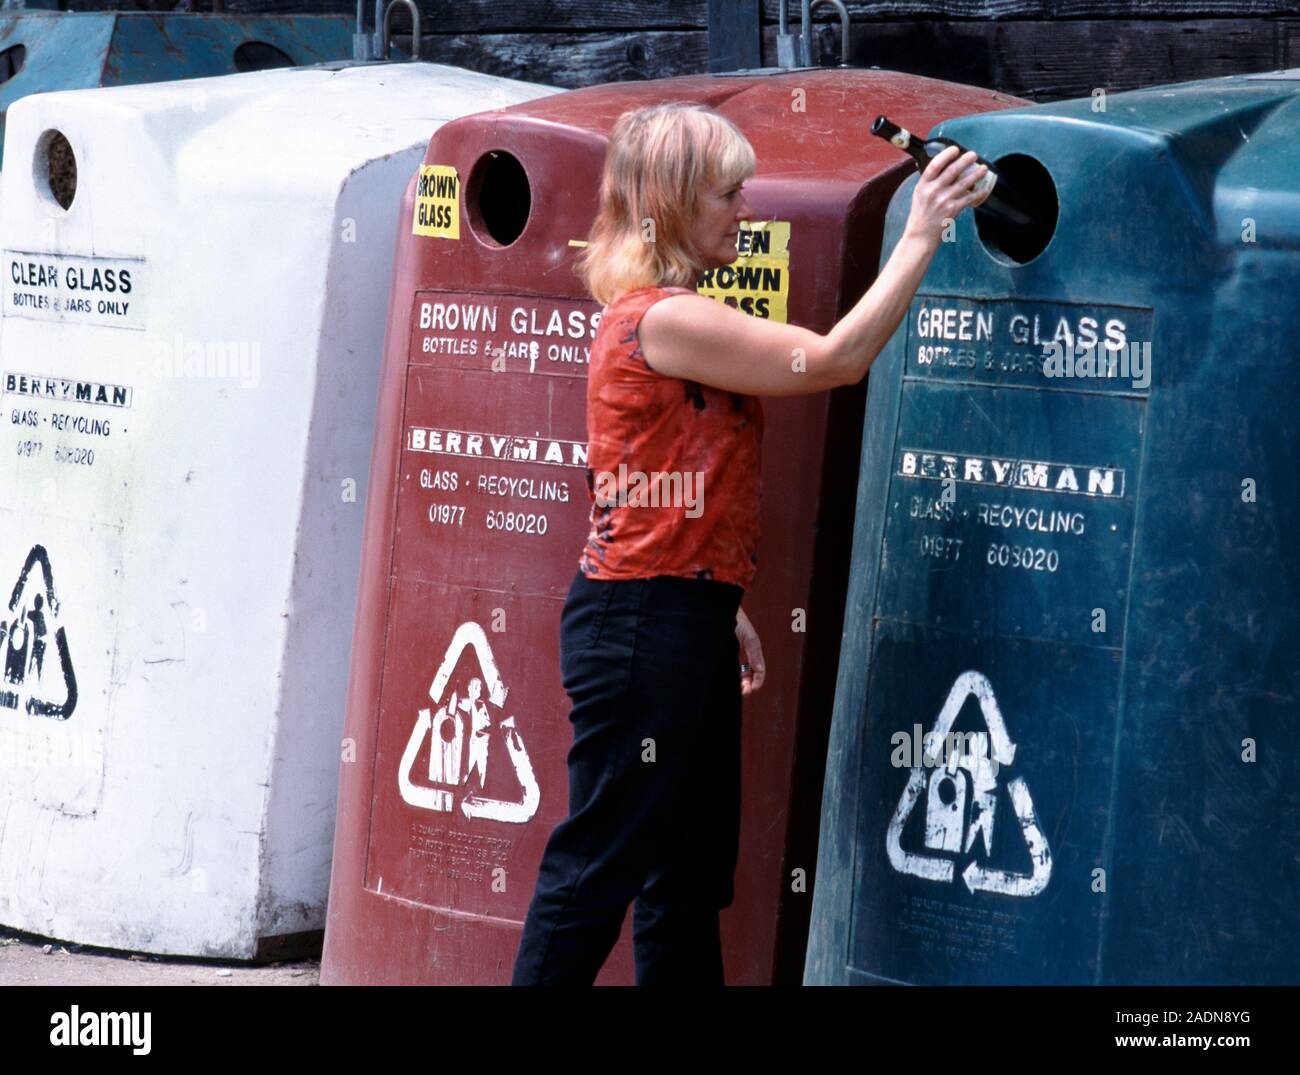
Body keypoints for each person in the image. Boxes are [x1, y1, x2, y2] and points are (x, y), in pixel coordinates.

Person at [510, 101, 991, 987]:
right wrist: (920, 232)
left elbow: (642, 472)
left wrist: (714, 597)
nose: (746, 212)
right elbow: (833, 359)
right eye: (729, 195)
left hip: (671, 614)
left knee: (684, 882)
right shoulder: (661, 318)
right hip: (640, 627)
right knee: (598, 870)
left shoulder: (669, 315)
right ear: (673, 206)